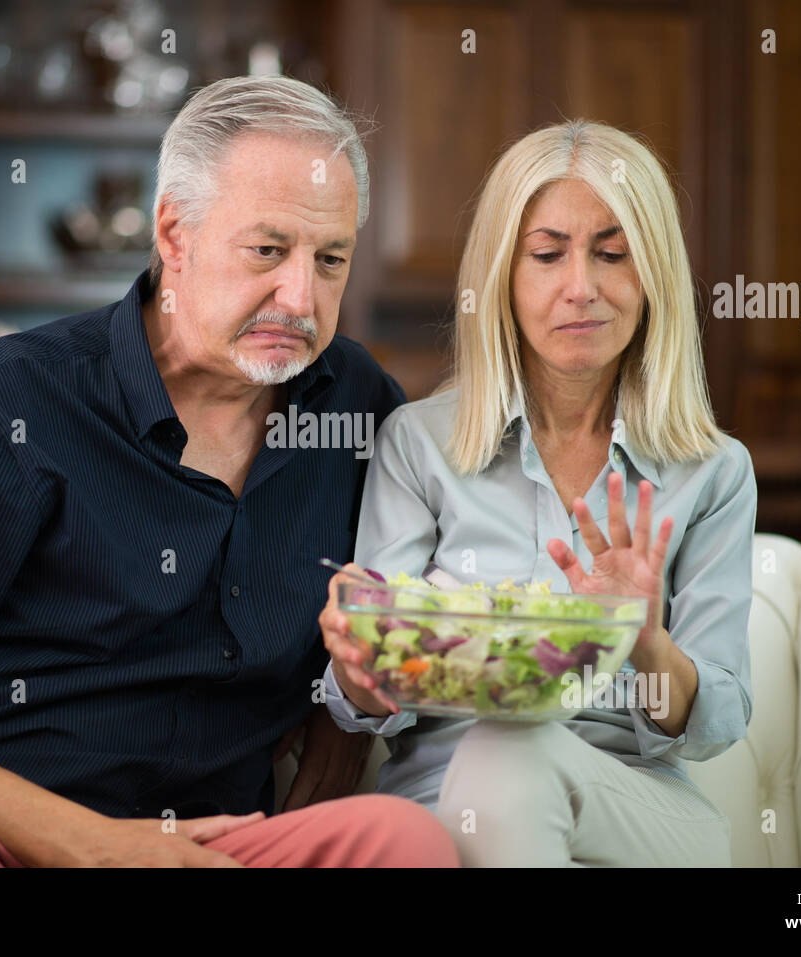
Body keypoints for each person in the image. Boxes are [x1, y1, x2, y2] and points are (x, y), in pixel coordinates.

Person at [0, 75, 458, 868]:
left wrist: (337, 731)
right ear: (174, 233)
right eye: (267, 249)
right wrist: (94, 845)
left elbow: (388, 618)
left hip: (206, 847)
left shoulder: (358, 407)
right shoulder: (1, 403)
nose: (301, 296)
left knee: (403, 841)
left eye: (331, 259)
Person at [319, 119, 757, 867]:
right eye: (548, 254)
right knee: (498, 752)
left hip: (638, 813)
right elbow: (369, 703)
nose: (580, 286)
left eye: (613, 253)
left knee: (511, 756)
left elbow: (713, 723)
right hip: (441, 814)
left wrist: (642, 637)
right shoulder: (418, 445)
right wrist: (362, 669)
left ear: (652, 274)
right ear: (502, 276)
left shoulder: (713, 471)